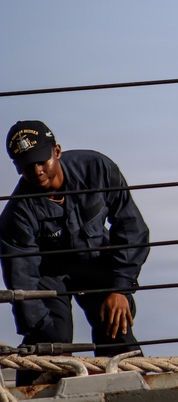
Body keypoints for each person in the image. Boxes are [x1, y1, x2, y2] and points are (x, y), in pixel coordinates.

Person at [1, 121, 150, 384]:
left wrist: (121, 288)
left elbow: (131, 227)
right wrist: (41, 333)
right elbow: (21, 278)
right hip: (48, 277)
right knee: (50, 341)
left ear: (56, 151)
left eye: (40, 161)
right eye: (25, 166)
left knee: (116, 328)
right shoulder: (16, 215)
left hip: (96, 263)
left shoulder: (97, 168)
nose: (36, 171)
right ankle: (23, 390)